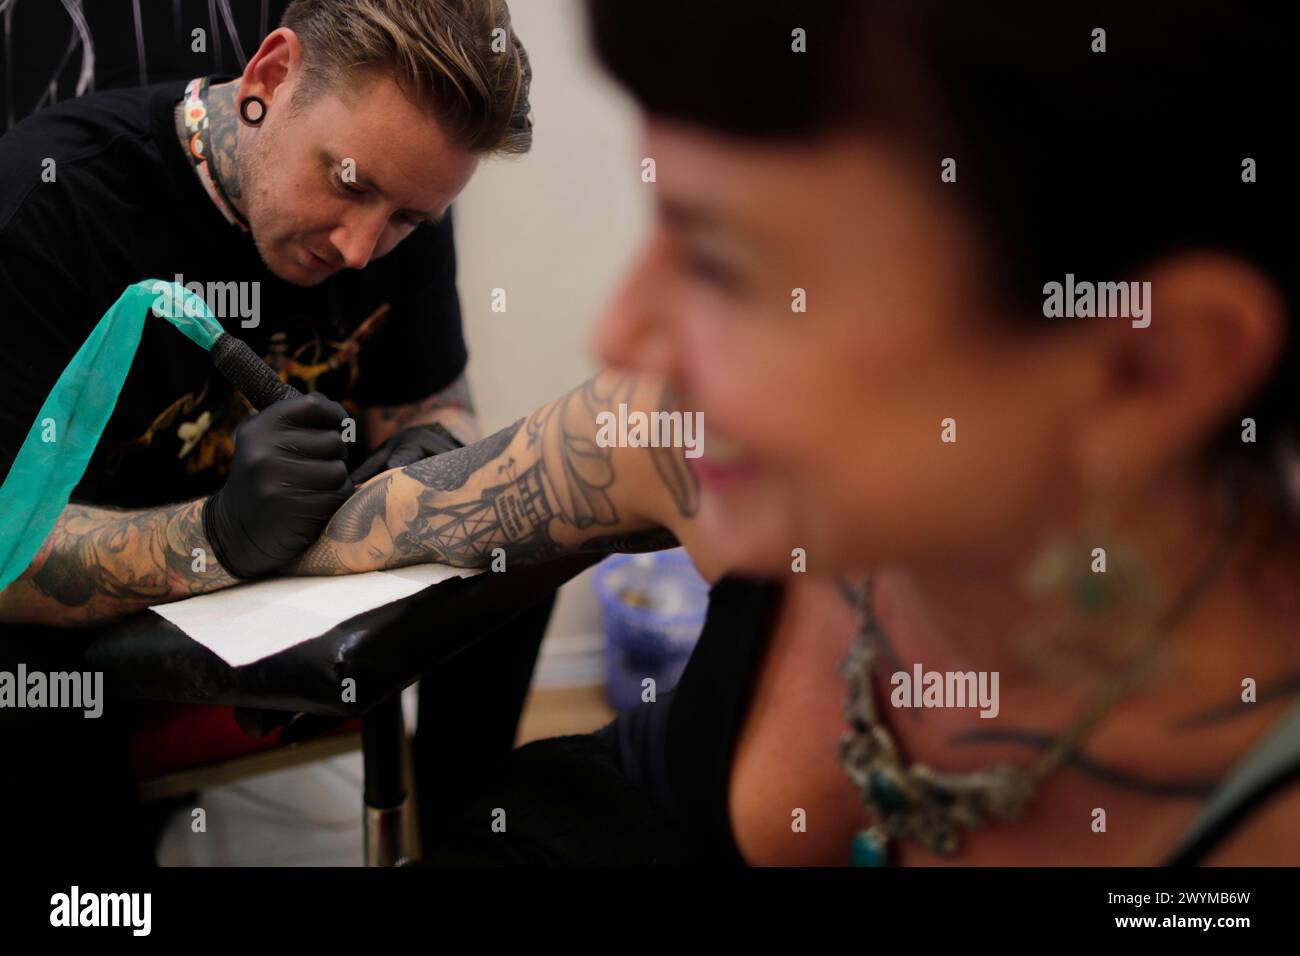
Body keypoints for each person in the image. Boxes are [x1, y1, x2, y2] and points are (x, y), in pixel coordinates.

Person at [290, 0, 1299, 864]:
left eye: (724, 263)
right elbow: (384, 518)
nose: (620, 330)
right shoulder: (687, 436)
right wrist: (195, 539)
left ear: (1146, 366)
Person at [0, 0, 530, 863]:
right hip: (61, 637)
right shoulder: (47, 208)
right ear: (270, 78)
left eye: (404, 219)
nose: (363, 247)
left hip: (264, 594)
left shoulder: (405, 198)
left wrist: (436, 449)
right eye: (350, 182)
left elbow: (432, 400)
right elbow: (2, 561)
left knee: (512, 560)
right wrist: (213, 537)